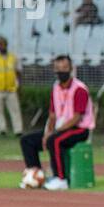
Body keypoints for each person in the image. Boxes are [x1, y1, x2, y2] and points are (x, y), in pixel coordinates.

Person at [19, 55, 94, 191]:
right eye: (58, 68)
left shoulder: (79, 89)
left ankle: (61, 179)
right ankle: (35, 174)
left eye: (64, 68)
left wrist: (54, 133)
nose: (61, 72)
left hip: (79, 129)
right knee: (27, 140)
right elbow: (53, 115)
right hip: (60, 127)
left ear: (71, 69)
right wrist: (47, 133)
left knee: (55, 140)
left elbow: (77, 117)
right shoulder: (56, 87)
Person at [0, 35, 22, 136]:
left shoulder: (13, 57)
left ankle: (18, 130)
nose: (1, 46)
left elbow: (18, 73)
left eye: (2, 44)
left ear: (6, 45)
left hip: (11, 89)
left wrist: (19, 86)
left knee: (15, 110)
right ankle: (2, 129)